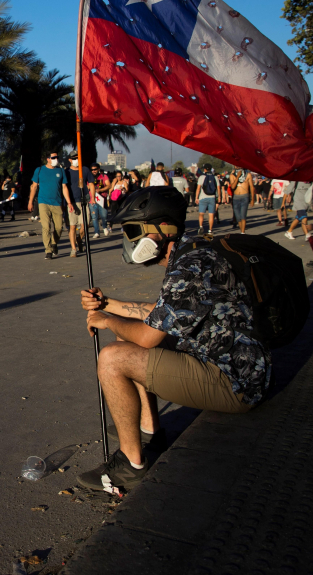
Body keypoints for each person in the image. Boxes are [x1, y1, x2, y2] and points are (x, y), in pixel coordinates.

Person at [76, 187, 271, 493]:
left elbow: (148, 336)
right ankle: (149, 430)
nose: (129, 240)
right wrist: (107, 304)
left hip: (234, 383)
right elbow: (161, 312)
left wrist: (106, 319)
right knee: (125, 333)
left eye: (133, 231)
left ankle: (130, 466)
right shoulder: (191, 251)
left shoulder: (189, 267)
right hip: (231, 362)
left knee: (113, 357)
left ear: (163, 228)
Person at [28, 151, 74, 259]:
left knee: (59, 227)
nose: (56, 159)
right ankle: (48, 250)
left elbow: (64, 187)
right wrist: (30, 201)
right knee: (46, 227)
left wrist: (69, 202)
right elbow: (34, 186)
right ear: (48, 159)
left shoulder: (61, 170)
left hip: (57, 202)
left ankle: (54, 242)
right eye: (53, 158)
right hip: (43, 202)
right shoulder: (39, 170)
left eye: (57, 157)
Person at [65, 152, 93, 256]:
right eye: (74, 158)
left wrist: (93, 198)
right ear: (70, 160)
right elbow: (64, 187)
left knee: (85, 225)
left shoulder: (85, 170)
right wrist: (66, 202)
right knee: (72, 226)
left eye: (78, 157)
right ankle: (73, 249)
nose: (76, 159)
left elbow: (91, 183)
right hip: (72, 202)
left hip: (84, 201)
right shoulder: (66, 172)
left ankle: (79, 239)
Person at [228, 168, 255, 234]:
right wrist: (237, 177)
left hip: (244, 197)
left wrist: (252, 199)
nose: (237, 167)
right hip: (236, 198)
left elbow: (251, 187)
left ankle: (243, 233)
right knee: (238, 217)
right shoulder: (232, 175)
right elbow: (233, 187)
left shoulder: (248, 175)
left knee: (243, 216)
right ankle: (241, 231)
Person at [89, 163, 111, 238]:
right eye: (92, 170)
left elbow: (109, 185)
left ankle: (104, 227)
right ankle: (96, 232)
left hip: (102, 199)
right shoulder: (89, 177)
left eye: (95, 169)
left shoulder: (104, 176)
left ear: (98, 169)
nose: (93, 171)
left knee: (104, 215)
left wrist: (100, 190)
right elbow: (86, 186)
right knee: (94, 217)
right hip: (92, 200)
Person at [195, 164, 218, 235]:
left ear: (204, 169)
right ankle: (210, 230)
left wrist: (196, 198)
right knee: (211, 215)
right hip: (212, 197)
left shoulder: (202, 177)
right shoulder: (215, 177)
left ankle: (201, 226)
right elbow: (218, 188)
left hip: (203, 197)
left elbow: (198, 188)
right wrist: (219, 197)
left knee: (201, 214)